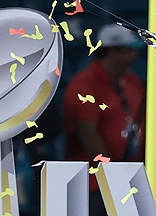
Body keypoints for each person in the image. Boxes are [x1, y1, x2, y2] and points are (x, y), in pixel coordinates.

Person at [62, 24, 145, 193]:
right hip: (94, 184)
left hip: (132, 179)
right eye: (130, 50)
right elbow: (88, 135)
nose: (135, 56)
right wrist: (115, 175)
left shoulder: (132, 81)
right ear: (113, 51)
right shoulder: (84, 85)